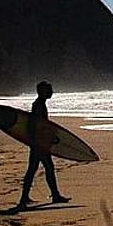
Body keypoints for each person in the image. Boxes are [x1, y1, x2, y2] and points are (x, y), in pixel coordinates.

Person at [17, 81, 69, 210]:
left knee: (38, 169)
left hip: (38, 142)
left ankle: (27, 198)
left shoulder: (39, 104)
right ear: (42, 91)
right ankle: (25, 199)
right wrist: (43, 140)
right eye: (49, 90)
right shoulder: (38, 105)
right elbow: (36, 125)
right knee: (43, 168)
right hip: (39, 143)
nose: (52, 92)